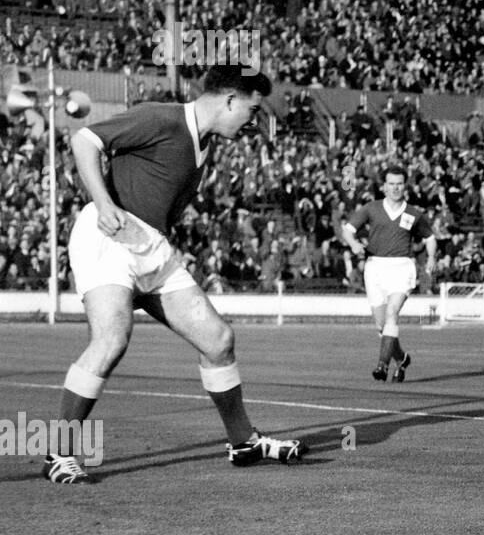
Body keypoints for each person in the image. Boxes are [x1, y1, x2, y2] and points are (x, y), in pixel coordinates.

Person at [44, 65, 306, 484]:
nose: (253, 120)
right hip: (109, 236)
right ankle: (58, 451)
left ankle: (243, 443)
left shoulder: (204, 145)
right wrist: (103, 202)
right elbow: (84, 138)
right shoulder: (163, 118)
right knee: (111, 339)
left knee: (218, 339)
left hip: (151, 250)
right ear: (230, 100)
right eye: (252, 109)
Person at [342, 164, 436, 382]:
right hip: (375, 268)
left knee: (393, 312)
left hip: (402, 268)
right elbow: (348, 230)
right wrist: (355, 245)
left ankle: (382, 365)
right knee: (381, 325)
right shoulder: (371, 208)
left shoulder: (413, 213)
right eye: (391, 184)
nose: (395, 188)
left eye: (399, 184)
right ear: (383, 187)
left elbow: (430, 238)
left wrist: (431, 258)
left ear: (405, 186)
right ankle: (401, 359)